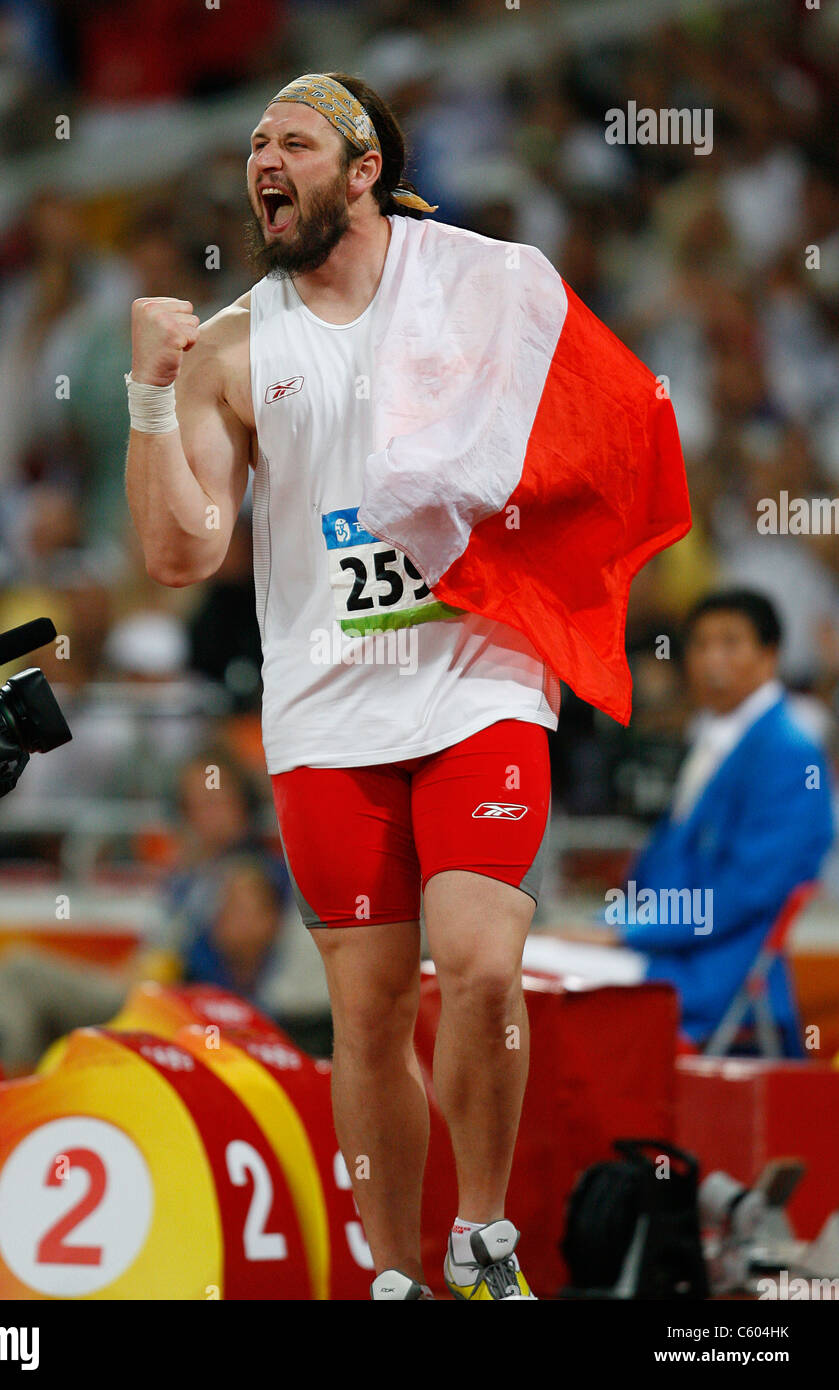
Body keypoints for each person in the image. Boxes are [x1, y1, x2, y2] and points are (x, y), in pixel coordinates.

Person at [125, 73, 681, 1301]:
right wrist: (150, 397)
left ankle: (483, 1242)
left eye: (296, 142)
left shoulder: (479, 286)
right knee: (367, 1012)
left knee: (479, 961)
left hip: (478, 673)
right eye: (254, 143)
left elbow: (614, 414)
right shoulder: (228, 345)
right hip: (327, 707)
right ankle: (393, 1271)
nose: (265, 160)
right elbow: (177, 556)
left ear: (363, 167)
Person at [527, 590, 835, 1053]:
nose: (712, 659)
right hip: (672, 946)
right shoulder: (719, 737)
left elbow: (744, 892)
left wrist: (622, 932)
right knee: (523, 954)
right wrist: (609, 921)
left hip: (711, 970)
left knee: (520, 963)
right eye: (701, 644)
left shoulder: (789, 753)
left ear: (770, 655)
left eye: (730, 643)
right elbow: (661, 871)